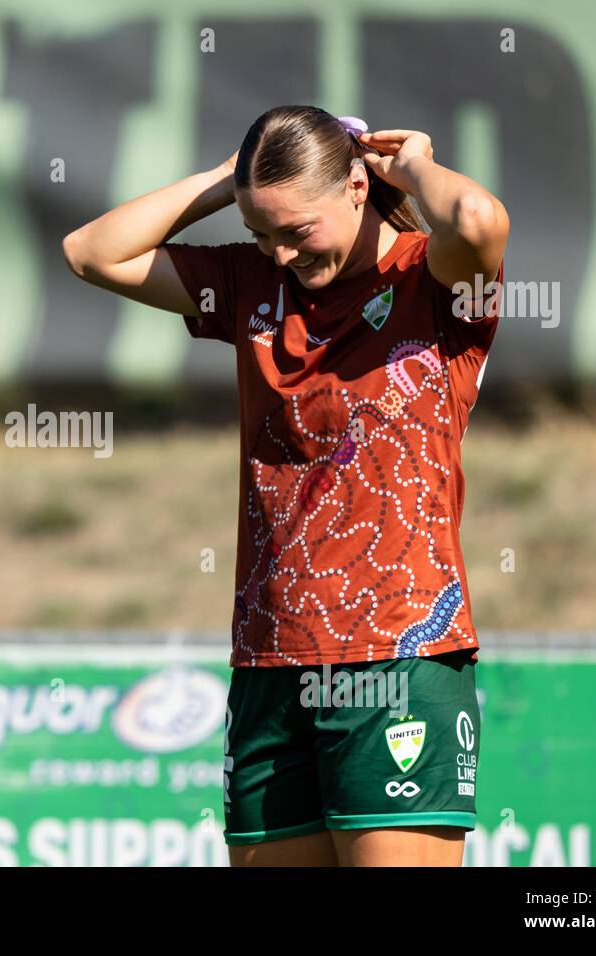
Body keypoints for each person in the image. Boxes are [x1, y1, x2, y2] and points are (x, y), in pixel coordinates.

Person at [63, 105, 508, 866]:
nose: (277, 252)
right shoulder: (249, 283)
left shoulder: (433, 282)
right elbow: (91, 252)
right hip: (269, 664)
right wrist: (225, 186)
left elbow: (474, 215)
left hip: (398, 660)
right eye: (261, 232)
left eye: (296, 230)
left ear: (358, 189)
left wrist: (414, 165)